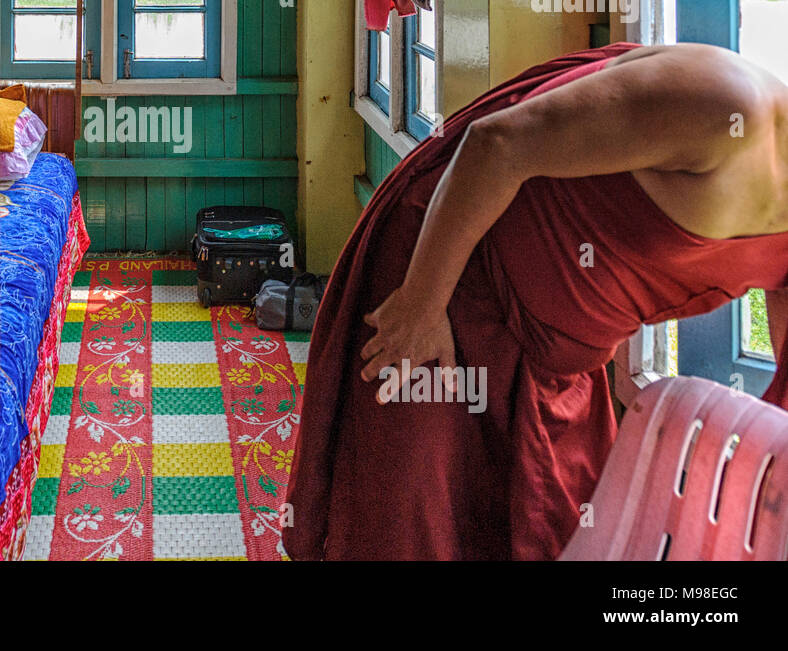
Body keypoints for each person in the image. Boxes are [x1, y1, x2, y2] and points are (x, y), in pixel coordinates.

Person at [283, 41, 788, 560]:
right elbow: (496, 145)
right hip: (451, 277)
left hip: (559, 354)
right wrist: (419, 308)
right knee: (415, 522)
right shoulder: (726, 108)